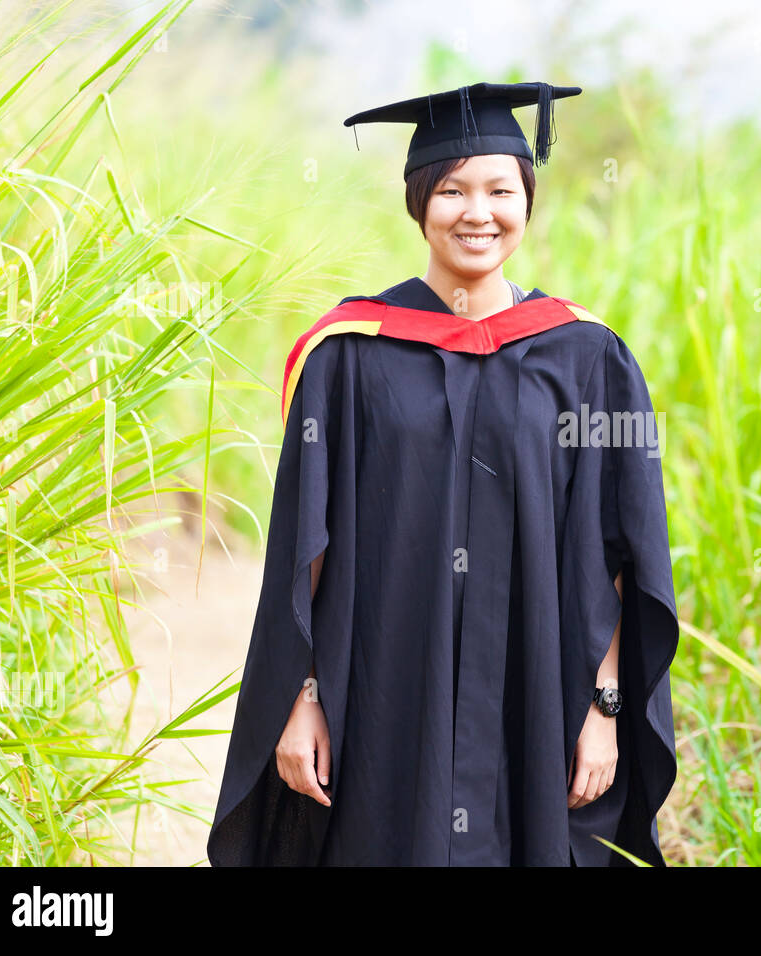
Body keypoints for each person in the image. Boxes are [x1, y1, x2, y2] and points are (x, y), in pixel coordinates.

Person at [206, 82, 680, 866]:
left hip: (541, 699)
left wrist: (604, 710)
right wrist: (301, 699)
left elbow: (623, 551)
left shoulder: (588, 357)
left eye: (501, 189)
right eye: (453, 190)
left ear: (527, 200)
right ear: (419, 203)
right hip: (384, 695)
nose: (478, 212)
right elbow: (305, 554)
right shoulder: (350, 356)